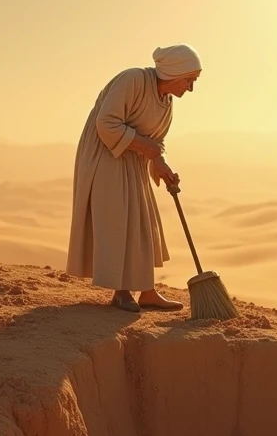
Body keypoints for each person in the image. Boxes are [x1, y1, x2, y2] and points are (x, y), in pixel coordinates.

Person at [66, 44, 202, 312]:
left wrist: (161, 164)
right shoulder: (133, 79)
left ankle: (148, 292)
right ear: (174, 72)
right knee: (118, 221)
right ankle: (122, 292)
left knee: (142, 221)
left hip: (133, 161)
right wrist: (147, 147)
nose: (191, 88)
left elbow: (156, 142)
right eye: (189, 80)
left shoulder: (166, 102)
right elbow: (106, 123)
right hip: (106, 157)